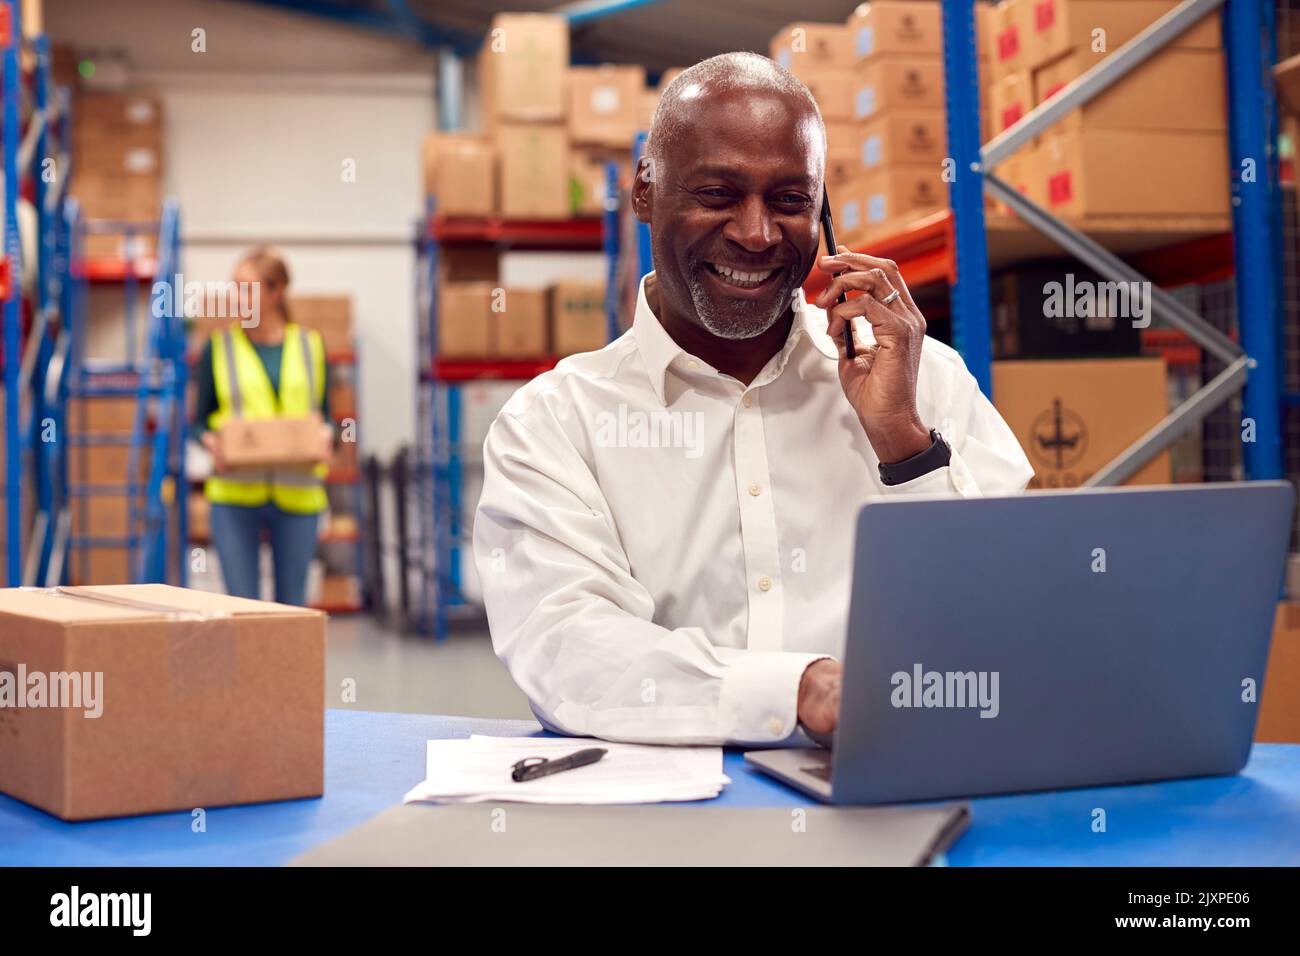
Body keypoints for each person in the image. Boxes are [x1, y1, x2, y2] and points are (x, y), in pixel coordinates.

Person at [473, 53, 1033, 746]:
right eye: (717, 194)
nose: (756, 233)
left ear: (825, 215)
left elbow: (1012, 619)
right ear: (645, 191)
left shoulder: (926, 385)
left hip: (894, 805)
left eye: (790, 201)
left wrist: (905, 444)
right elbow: (567, 648)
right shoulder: (554, 425)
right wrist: (798, 690)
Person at [192, 247, 333, 606]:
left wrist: (329, 433)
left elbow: (327, 414)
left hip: (298, 493)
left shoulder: (310, 345)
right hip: (235, 494)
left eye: (246, 287)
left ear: (275, 292)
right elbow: (196, 422)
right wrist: (209, 441)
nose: (236, 296)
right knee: (243, 609)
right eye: (234, 287)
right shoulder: (218, 348)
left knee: (291, 609)